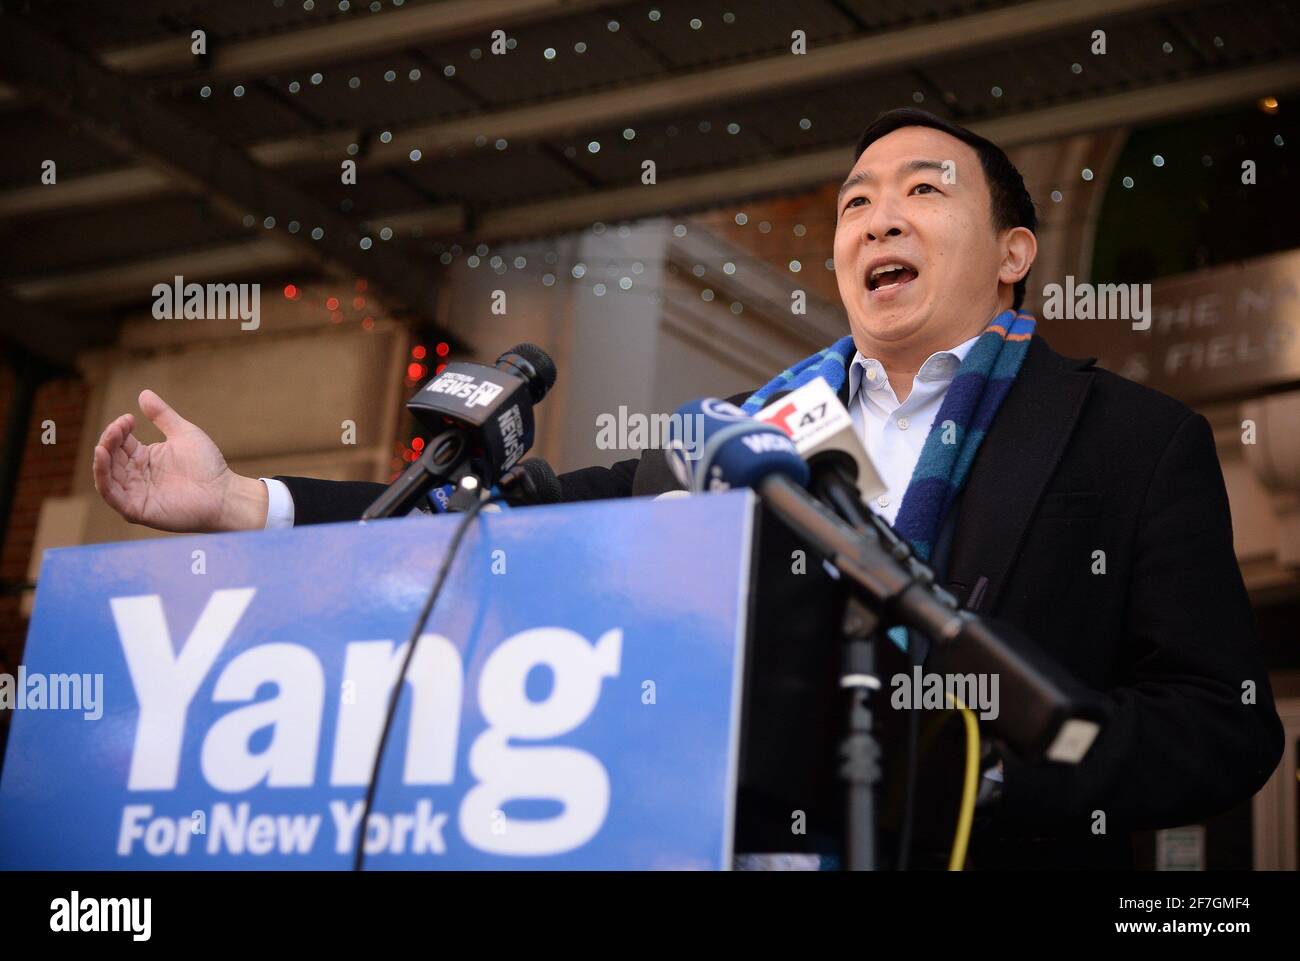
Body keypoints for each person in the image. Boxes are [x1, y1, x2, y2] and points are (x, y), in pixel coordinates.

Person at [93, 108, 1284, 869]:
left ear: (1014, 252)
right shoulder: (741, 441)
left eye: (923, 190)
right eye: (855, 203)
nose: (879, 216)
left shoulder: (1134, 441)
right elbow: (509, 521)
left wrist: (991, 767)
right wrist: (246, 503)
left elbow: (1222, 724)